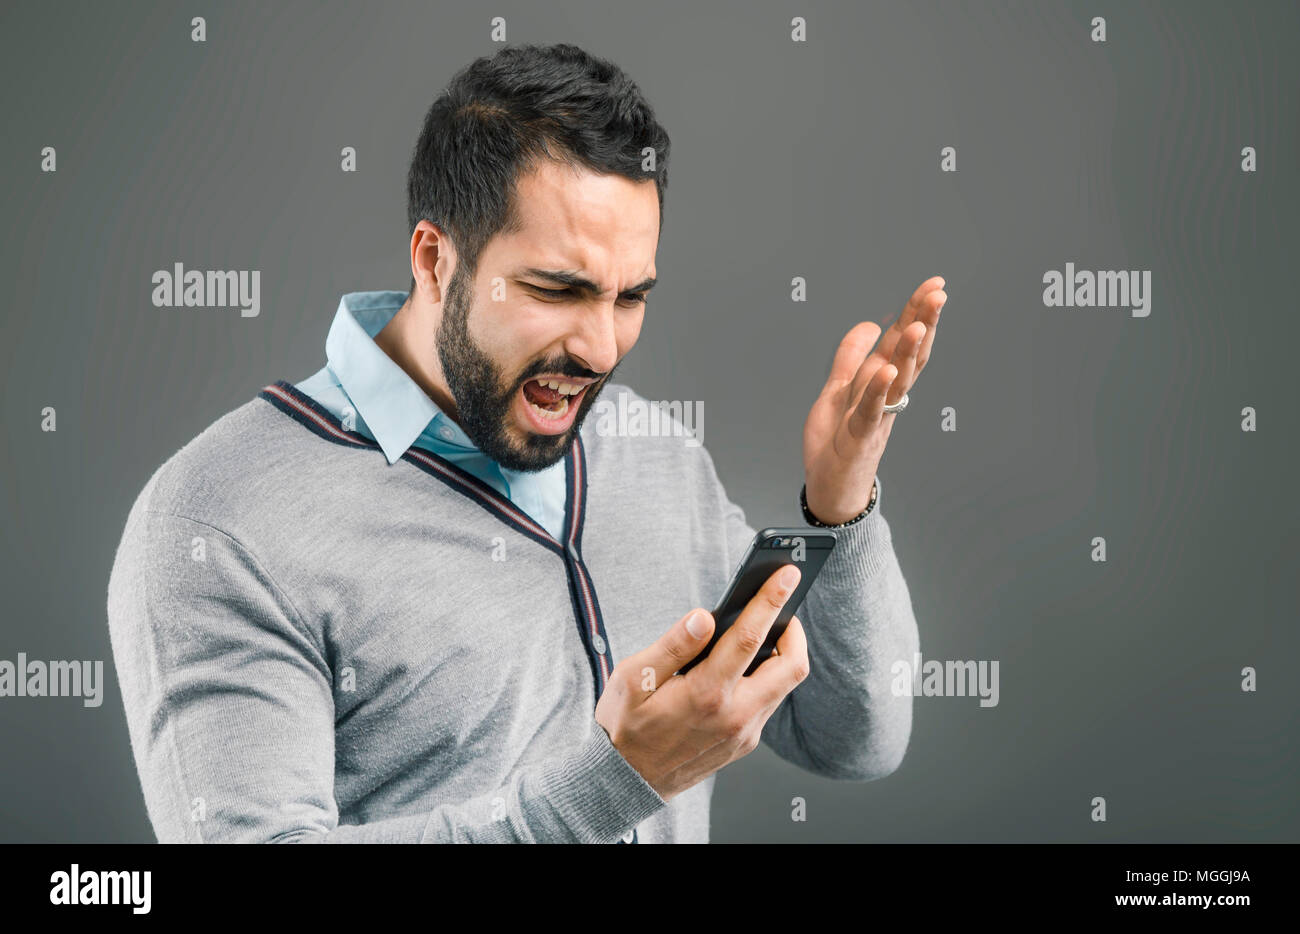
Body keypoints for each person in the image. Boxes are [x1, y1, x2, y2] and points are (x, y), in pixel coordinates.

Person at [107, 42, 944, 844]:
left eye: (629, 298)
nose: (602, 349)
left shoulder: (653, 451)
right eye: (557, 289)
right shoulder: (216, 524)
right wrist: (617, 782)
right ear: (435, 260)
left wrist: (839, 505)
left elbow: (850, 739)